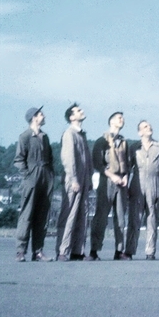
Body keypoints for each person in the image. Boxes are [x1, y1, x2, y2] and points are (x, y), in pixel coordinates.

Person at [13, 105, 54, 262]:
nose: (44, 116)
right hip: (32, 176)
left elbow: (50, 158)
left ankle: (38, 252)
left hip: (46, 176)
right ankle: (20, 251)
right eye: (41, 114)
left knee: (42, 215)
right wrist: (28, 175)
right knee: (27, 214)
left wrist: (50, 174)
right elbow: (19, 160)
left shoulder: (45, 137)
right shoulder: (25, 136)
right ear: (34, 117)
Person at [127, 119, 159, 261]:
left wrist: (155, 174)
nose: (149, 128)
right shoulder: (134, 147)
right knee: (135, 218)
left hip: (154, 182)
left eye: (150, 126)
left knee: (152, 218)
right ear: (140, 132)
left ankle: (150, 251)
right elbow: (127, 167)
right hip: (137, 183)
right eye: (145, 127)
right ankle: (129, 250)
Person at [90, 112, 132, 260]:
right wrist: (112, 176)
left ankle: (119, 251)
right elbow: (97, 163)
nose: (122, 120)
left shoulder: (124, 142)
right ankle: (94, 251)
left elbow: (128, 163)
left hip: (121, 183)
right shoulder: (102, 141)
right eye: (119, 118)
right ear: (111, 121)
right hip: (106, 181)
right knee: (101, 217)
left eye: (123, 117)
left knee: (120, 218)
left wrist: (125, 176)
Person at [56, 102, 93, 261]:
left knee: (83, 214)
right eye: (78, 110)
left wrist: (89, 179)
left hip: (84, 180)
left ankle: (78, 251)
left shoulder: (81, 135)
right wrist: (73, 179)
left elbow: (88, 160)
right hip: (74, 180)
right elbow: (68, 158)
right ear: (71, 117)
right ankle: (62, 251)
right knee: (69, 215)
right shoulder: (69, 134)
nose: (81, 111)